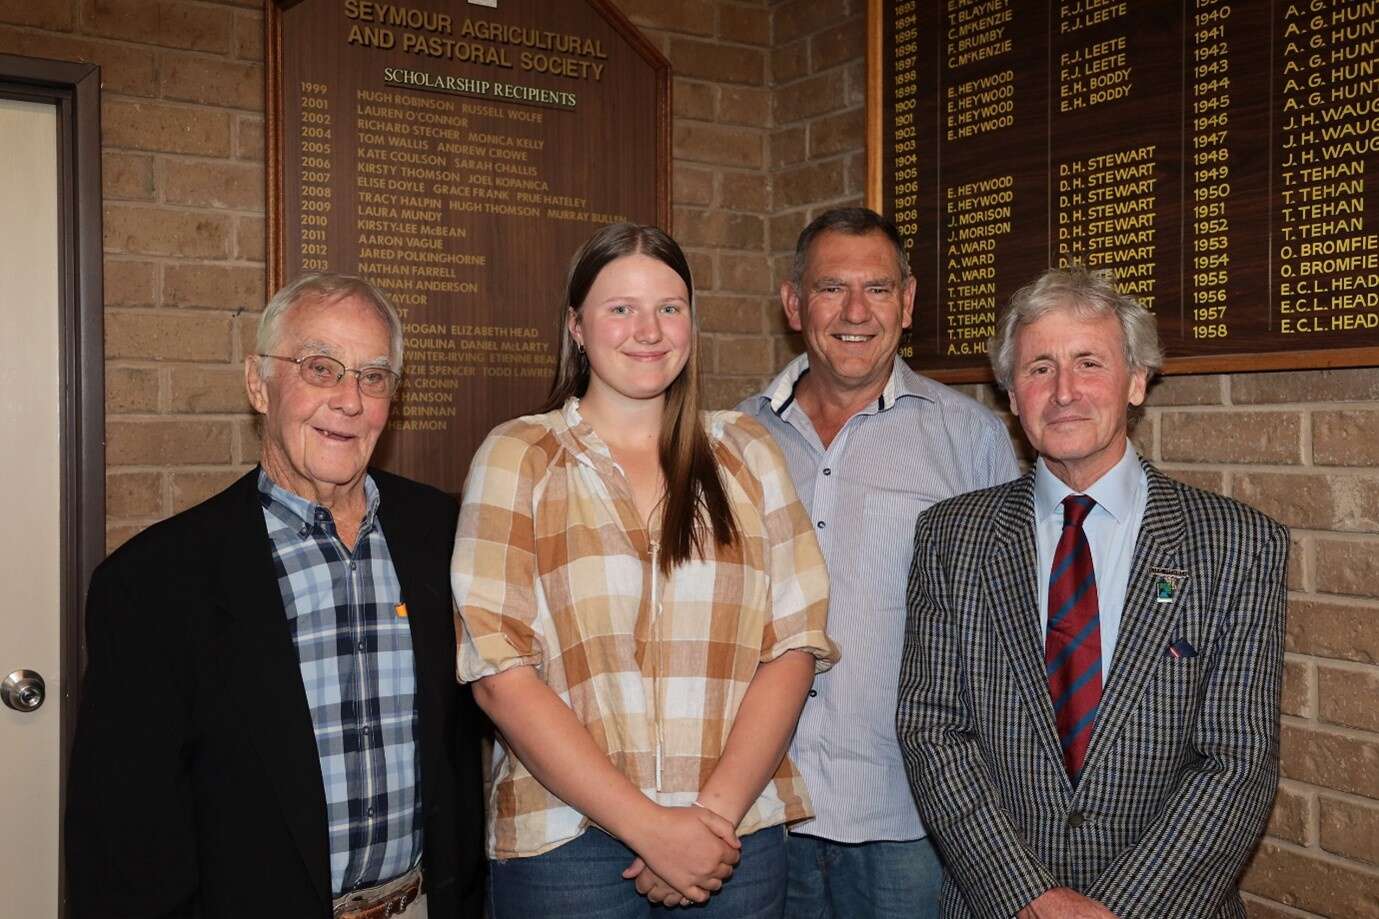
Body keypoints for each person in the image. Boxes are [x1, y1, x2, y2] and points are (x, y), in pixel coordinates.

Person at [66, 274, 486, 918]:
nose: (349, 400)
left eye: (374, 377)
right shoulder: (154, 583)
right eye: (321, 369)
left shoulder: (443, 535)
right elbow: (123, 845)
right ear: (258, 384)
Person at [452, 223, 837, 918]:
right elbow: (498, 672)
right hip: (565, 844)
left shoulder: (747, 452)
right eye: (619, 307)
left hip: (733, 837)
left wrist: (704, 822)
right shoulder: (519, 454)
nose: (648, 329)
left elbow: (794, 643)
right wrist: (650, 828)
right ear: (576, 326)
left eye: (669, 306)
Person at [898, 266, 1288, 919]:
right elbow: (932, 728)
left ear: (1136, 380)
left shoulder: (1235, 543)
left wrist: (1118, 909)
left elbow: (1236, 759)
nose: (1063, 392)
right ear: (1010, 393)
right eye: (1038, 368)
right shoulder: (951, 537)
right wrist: (1028, 895)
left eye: (1088, 362)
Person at [738, 206, 1019, 918]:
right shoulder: (731, 438)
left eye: (878, 288)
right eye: (832, 288)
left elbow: (1006, 631)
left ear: (908, 300)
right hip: (759, 806)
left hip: (910, 817)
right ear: (793, 302)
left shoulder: (972, 439)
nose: (856, 311)